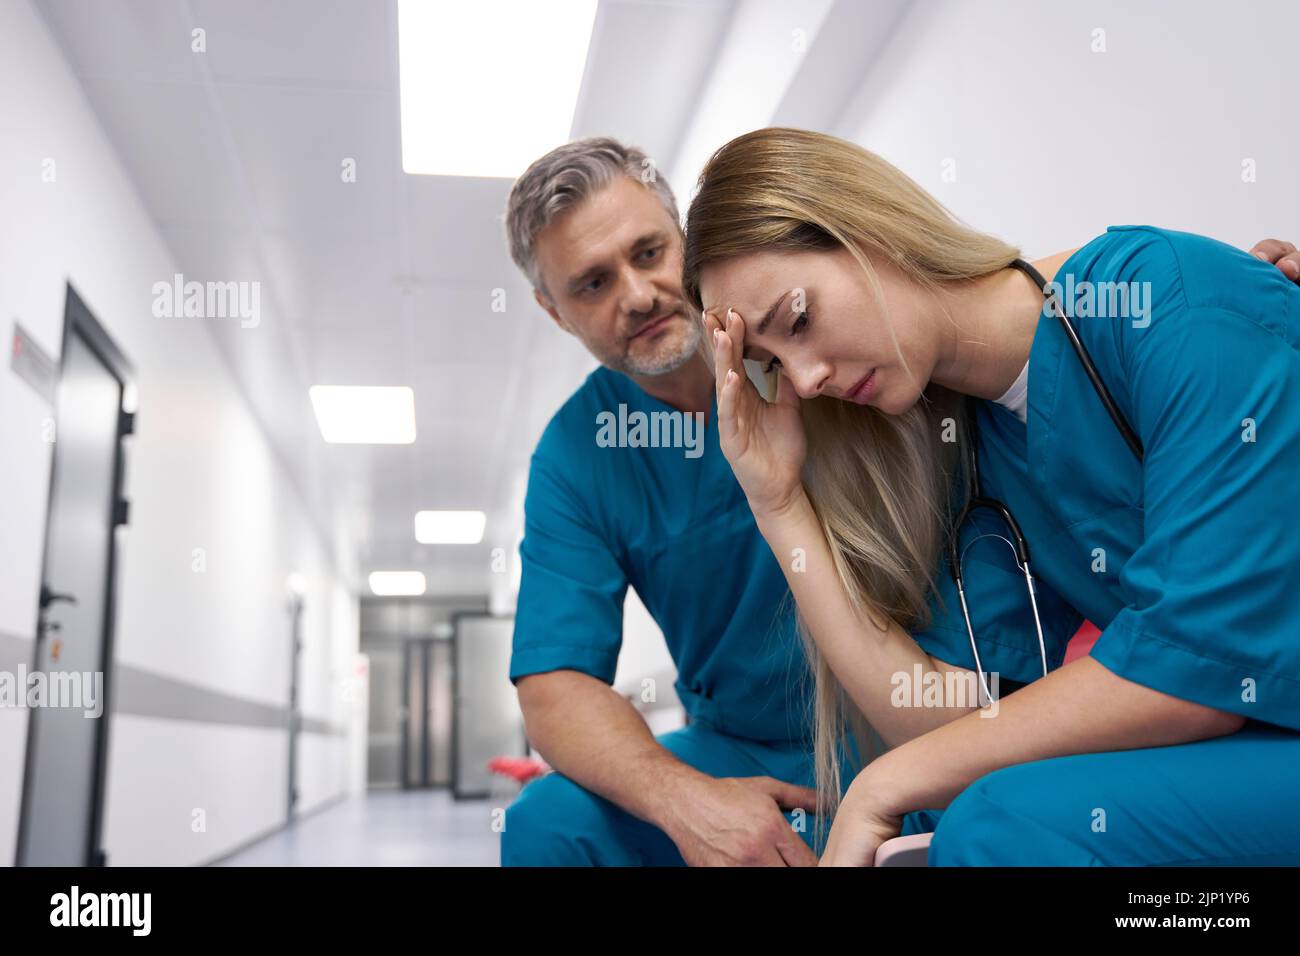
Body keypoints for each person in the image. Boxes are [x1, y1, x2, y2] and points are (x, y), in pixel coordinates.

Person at [682, 126, 1300, 866]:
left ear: (872, 227)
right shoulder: (967, 444)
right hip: (1258, 749)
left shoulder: (1163, 298)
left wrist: (885, 784)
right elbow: (939, 713)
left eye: (800, 320)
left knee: (1000, 824)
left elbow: (1192, 673)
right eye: (771, 364)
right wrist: (778, 503)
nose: (806, 378)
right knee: (970, 813)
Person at [498, 138, 861, 866]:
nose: (635, 295)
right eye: (592, 284)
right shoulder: (577, 455)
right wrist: (684, 799)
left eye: (648, 252)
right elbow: (555, 683)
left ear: (686, 241)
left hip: (899, 707)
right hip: (743, 745)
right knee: (544, 825)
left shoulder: (793, 339)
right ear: (554, 312)